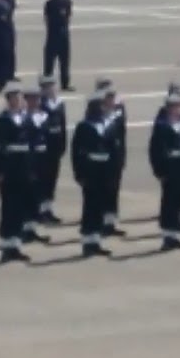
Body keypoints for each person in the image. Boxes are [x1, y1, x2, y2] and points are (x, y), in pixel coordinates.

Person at [0, 83, 35, 263]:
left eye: (19, 97)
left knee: (21, 208)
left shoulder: (26, 119)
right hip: (8, 173)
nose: (17, 101)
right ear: (8, 100)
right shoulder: (1, 121)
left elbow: (30, 147)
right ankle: (6, 245)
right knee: (9, 208)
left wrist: (32, 170)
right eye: (14, 98)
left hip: (23, 171)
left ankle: (15, 244)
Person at [149, 93, 180, 251]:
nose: (179, 110)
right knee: (169, 203)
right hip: (169, 172)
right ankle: (167, 236)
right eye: (175, 107)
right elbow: (155, 151)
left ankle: (175, 235)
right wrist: (160, 171)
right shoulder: (162, 127)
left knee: (178, 203)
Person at [71, 92, 113, 257]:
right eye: (101, 106)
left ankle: (96, 240)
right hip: (90, 171)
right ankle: (87, 241)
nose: (104, 108)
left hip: (104, 171)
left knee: (100, 206)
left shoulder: (108, 125)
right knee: (90, 207)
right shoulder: (84, 126)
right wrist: (79, 173)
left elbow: (113, 151)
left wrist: (112, 172)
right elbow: (77, 152)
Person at [20, 85, 53, 246]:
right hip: (29, 159)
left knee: (40, 192)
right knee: (27, 194)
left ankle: (32, 229)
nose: (34, 102)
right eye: (31, 99)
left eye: (36, 99)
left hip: (44, 159)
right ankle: (25, 229)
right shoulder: (23, 118)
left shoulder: (44, 116)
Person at [98, 79, 129, 237]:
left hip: (116, 154)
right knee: (102, 189)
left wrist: (122, 155)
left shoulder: (120, 108)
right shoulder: (96, 110)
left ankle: (111, 221)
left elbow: (122, 133)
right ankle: (101, 221)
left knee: (114, 189)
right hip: (102, 157)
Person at [36, 75, 67, 225]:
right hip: (44, 149)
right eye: (46, 87)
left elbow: (63, 125)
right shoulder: (39, 105)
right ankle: (40, 210)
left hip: (55, 148)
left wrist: (63, 145)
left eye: (52, 86)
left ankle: (48, 209)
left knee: (51, 180)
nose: (50, 89)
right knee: (42, 180)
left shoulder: (59, 104)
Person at [42, 0, 73, 90]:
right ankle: (46, 84)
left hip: (64, 35)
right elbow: (46, 18)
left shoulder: (67, 1)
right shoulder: (50, 3)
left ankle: (65, 84)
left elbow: (68, 17)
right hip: (52, 35)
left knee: (64, 61)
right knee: (49, 61)